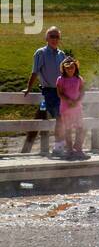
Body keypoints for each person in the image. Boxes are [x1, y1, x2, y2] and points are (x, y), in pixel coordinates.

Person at [26, 27, 68, 156]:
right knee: (59, 117)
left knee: (63, 118)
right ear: (46, 38)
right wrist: (28, 88)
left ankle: (60, 145)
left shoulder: (62, 54)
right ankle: (58, 147)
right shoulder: (41, 53)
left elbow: (66, 75)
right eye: (52, 36)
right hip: (49, 91)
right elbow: (35, 71)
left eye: (57, 36)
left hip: (61, 91)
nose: (54, 39)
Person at [56, 57, 88, 160]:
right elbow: (60, 93)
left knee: (81, 128)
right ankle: (69, 150)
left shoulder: (79, 79)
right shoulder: (60, 79)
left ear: (75, 67)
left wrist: (77, 101)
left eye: (72, 67)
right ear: (64, 69)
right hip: (66, 108)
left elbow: (82, 91)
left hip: (77, 108)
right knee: (67, 129)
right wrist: (69, 101)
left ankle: (78, 148)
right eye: (67, 68)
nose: (70, 70)